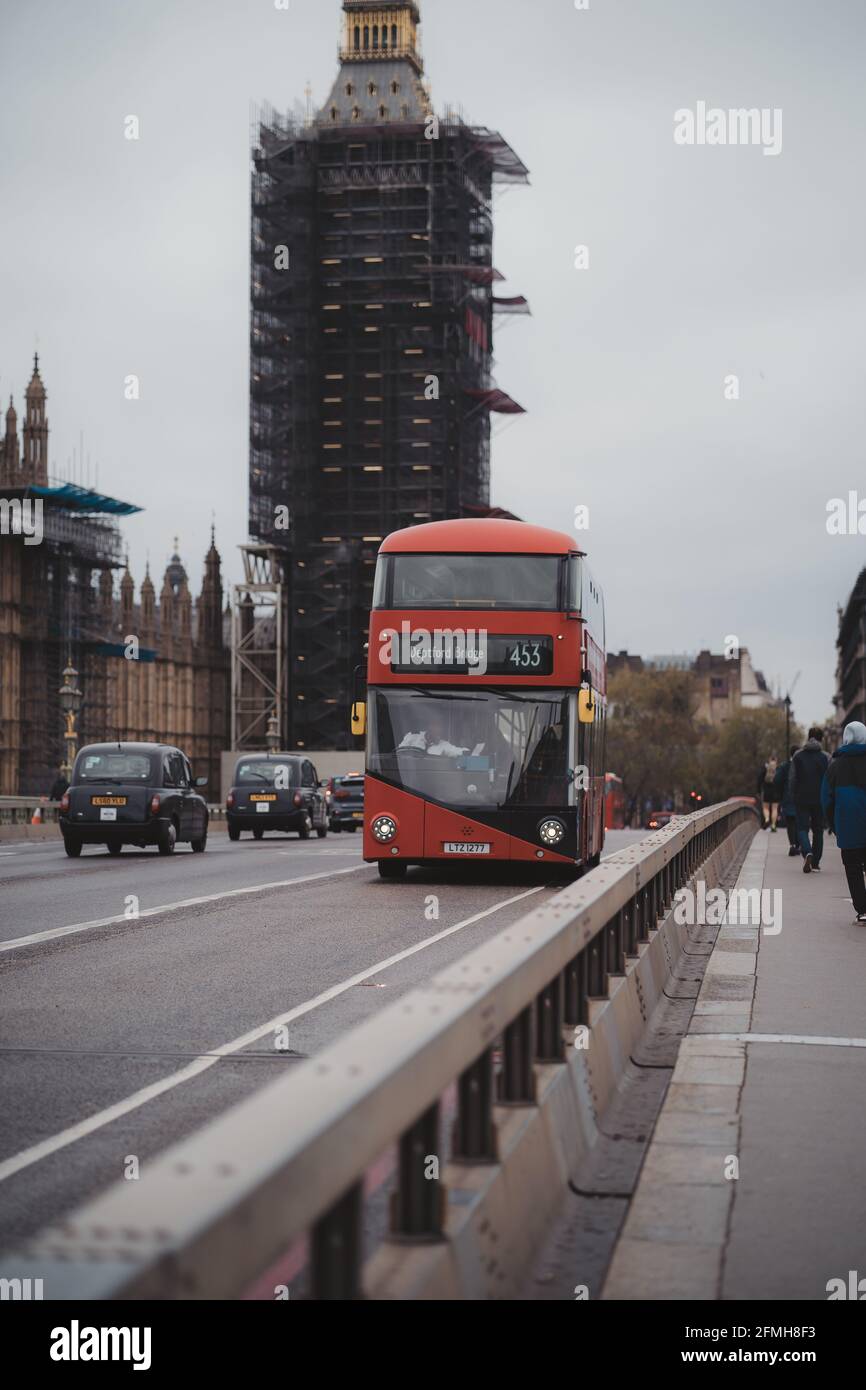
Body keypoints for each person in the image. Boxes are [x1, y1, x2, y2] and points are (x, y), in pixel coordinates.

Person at [821, 721, 866, 922]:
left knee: (853, 867)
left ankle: (862, 909)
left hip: (848, 826)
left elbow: (825, 800)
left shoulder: (835, 767)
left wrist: (834, 825)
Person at [789, 726, 829, 873]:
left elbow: (792, 778)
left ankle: (807, 851)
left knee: (802, 828)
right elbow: (829, 780)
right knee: (818, 830)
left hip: (802, 797)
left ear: (808, 737)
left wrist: (793, 794)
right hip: (819, 798)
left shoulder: (798, 756)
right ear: (821, 739)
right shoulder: (826, 757)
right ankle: (816, 862)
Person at [398, 712, 468, 758]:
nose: (438, 729)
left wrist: (473, 752)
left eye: (440, 726)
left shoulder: (444, 745)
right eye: (435, 725)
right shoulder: (413, 737)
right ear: (428, 726)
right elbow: (399, 754)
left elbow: (459, 751)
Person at [775, 746, 800, 856]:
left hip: (788, 797)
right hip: (801, 797)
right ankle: (799, 844)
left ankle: (792, 845)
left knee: (790, 822)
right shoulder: (802, 765)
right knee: (800, 822)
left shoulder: (785, 766)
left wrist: (780, 794)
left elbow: (777, 780)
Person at [758, 754, 780, 830]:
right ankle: (773, 825)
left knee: (765, 808)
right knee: (775, 808)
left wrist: (758, 790)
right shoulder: (778, 768)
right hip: (776, 791)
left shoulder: (765, 768)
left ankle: (767, 819)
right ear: (776, 760)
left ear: (769, 760)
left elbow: (760, 779)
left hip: (767, 791)